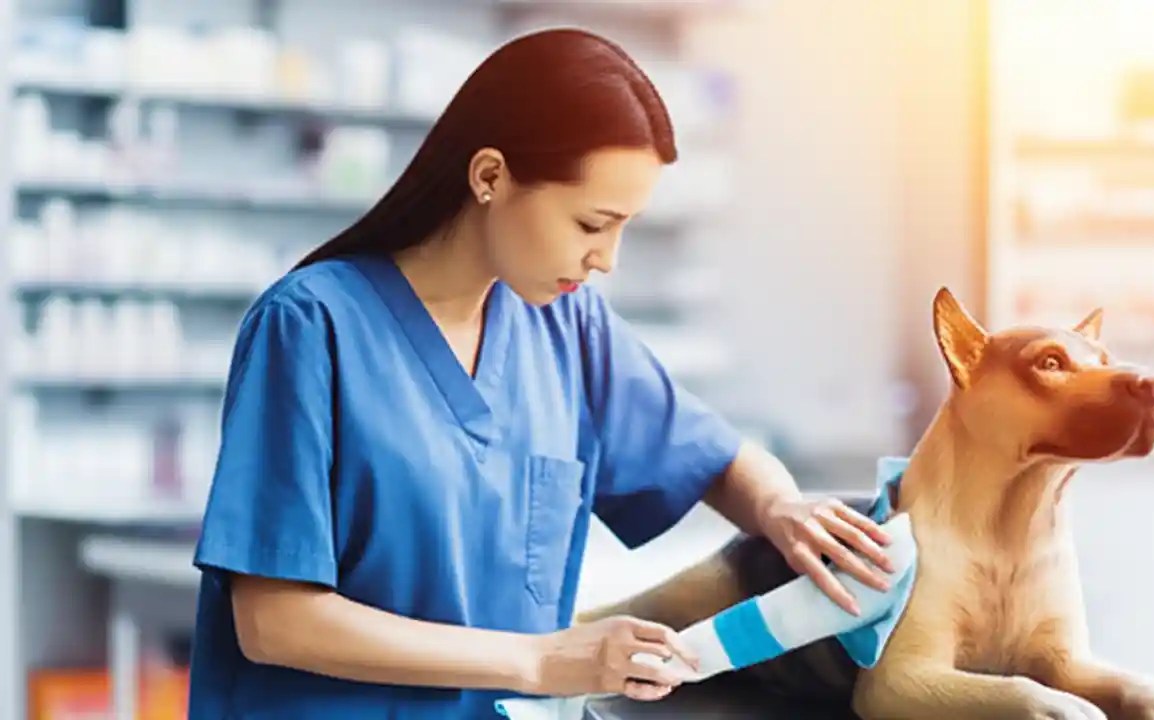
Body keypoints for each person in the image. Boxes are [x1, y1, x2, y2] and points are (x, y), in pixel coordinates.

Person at [187, 27, 895, 720]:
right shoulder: (311, 326)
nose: (607, 259)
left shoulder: (565, 325)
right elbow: (275, 622)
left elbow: (714, 457)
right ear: (490, 176)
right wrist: (540, 659)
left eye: (624, 228)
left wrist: (781, 508)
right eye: (591, 225)